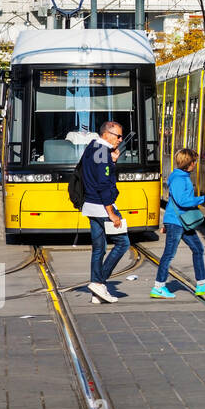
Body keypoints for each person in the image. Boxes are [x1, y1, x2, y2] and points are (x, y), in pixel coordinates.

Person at [151, 148, 205, 298]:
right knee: (169, 254)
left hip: (180, 221)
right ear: (189, 163)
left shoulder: (181, 176)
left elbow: (173, 201)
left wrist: (166, 223)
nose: (196, 164)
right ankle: (158, 286)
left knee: (198, 249)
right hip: (178, 221)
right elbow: (182, 201)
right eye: (194, 161)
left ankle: (201, 284)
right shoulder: (180, 179)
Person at [79, 121, 130, 303]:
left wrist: (113, 162)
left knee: (99, 248)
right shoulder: (102, 153)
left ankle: (96, 293)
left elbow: (98, 175)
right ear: (107, 134)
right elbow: (103, 184)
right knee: (123, 243)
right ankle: (99, 282)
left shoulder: (92, 148)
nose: (120, 140)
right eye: (118, 136)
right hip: (102, 207)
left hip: (90, 206)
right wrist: (111, 213)